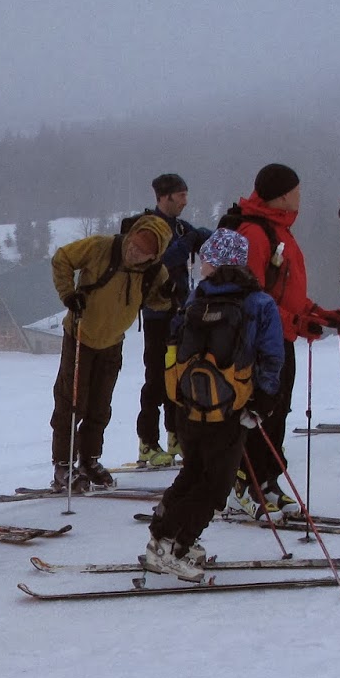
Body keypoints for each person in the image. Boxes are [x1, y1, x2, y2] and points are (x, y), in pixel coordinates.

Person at [144, 229, 284, 580]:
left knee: (192, 472)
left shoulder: (196, 299)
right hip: (230, 409)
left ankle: (160, 541)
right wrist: (262, 403)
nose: (201, 265)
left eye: (205, 259)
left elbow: (174, 342)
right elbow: (271, 357)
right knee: (216, 485)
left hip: (189, 406)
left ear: (216, 263)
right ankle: (178, 546)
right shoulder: (258, 303)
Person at [229, 164, 340, 519]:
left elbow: (286, 292)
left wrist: (318, 314)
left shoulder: (279, 229)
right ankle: (244, 484)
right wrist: (297, 321)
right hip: (259, 342)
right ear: (281, 195)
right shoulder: (255, 233)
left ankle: (267, 480)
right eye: (296, 189)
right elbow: (251, 298)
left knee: (277, 412)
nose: (300, 195)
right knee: (259, 412)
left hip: (280, 338)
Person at [49, 215, 173, 491]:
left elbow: (156, 303)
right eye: (134, 244)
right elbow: (62, 258)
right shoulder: (101, 247)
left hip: (113, 341)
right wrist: (68, 294)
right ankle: (63, 465)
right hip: (80, 334)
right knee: (71, 402)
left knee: (100, 405)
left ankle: (89, 460)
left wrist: (168, 296)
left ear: (153, 255)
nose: (134, 252)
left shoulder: (154, 272)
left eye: (143, 251)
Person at [133, 173, 211, 467]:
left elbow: (203, 242)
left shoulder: (179, 227)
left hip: (178, 311)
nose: (185, 201)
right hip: (156, 312)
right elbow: (159, 259)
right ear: (164, 197)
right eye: (181, 196)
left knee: (178, 375)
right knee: (155, 377)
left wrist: (210, 235)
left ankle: (175, 434)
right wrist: (189, 241)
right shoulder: (148, 227)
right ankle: (147, 442)